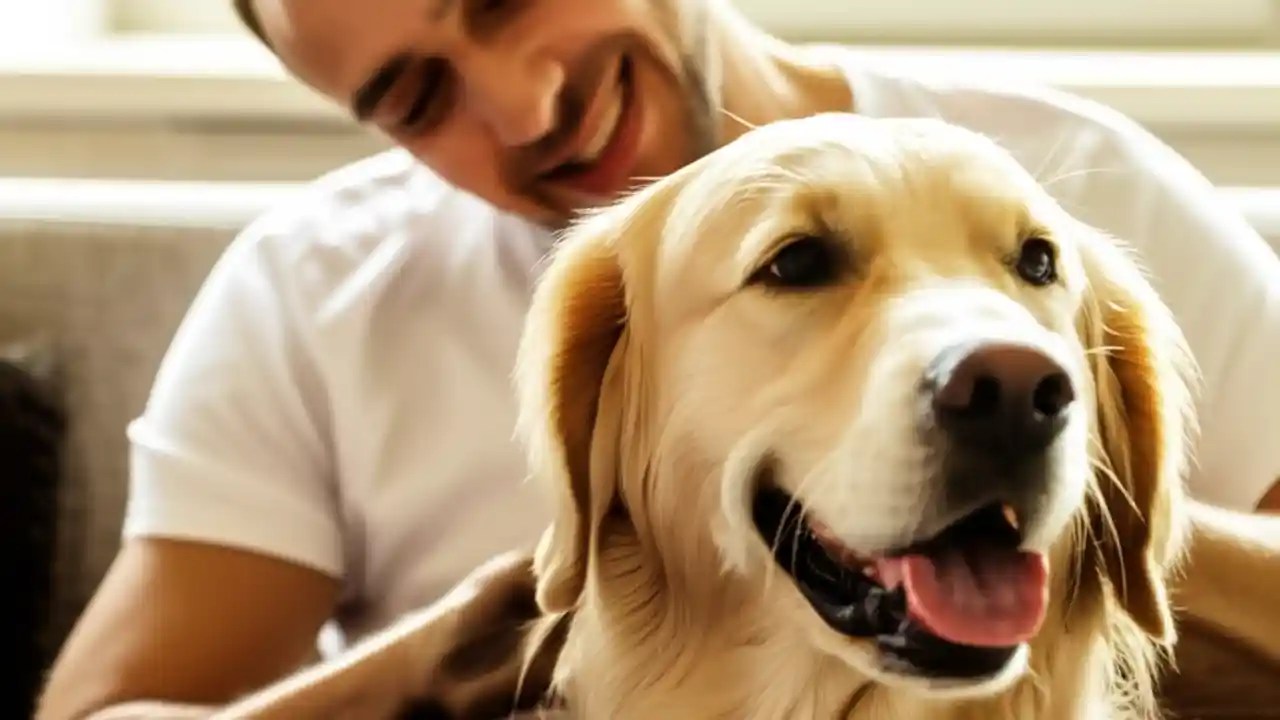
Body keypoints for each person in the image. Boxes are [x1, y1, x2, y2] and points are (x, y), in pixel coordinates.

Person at [37, 0, 1280, 717]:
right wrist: (430, 666)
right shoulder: (314, 295)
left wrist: (1120, 521)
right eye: (419, 98)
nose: (525, 107)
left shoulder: (1077, 185)